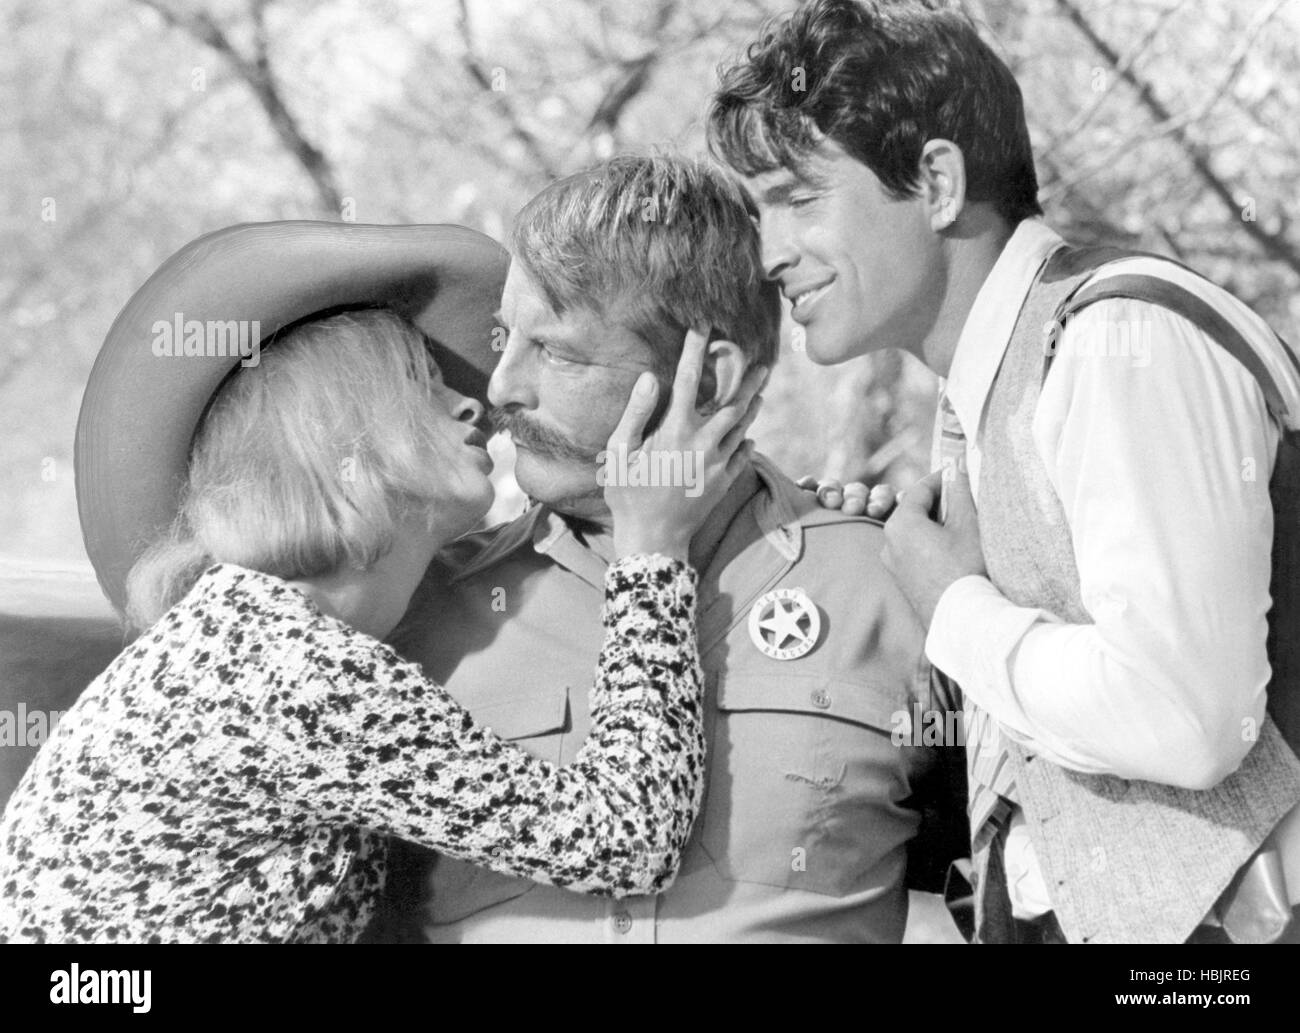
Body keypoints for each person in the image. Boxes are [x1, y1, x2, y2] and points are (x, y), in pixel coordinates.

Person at [707, 0, 1300, 943]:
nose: (771, 253)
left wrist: (953, 607)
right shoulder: (977, 407)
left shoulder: (1115, 339)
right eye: (758, 211)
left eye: (797, 198)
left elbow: (1187, 714)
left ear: (938, 182)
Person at [0, 272, 759, 942]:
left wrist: (768, 516)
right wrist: (652, 545)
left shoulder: (246, 629)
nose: (475, 407)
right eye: (423, 387)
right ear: (342, 444)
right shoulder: (293, 671)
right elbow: (626, 838)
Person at [368, 152, 965, 945]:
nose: (502, 387)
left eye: (560, 353)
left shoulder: (898, 581)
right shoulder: (412, 613)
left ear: (709, 380)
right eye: (507, 341)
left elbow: (1011, 885)